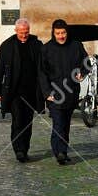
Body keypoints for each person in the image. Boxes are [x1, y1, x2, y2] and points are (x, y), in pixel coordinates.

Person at [0, 18, 42, 162]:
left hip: (31, 91)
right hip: (13, 91)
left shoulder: (36, 45)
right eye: (21, 33)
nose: (24, 36)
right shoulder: (7, 46)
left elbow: (43, 68)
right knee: (18, 120)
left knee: (28, 122)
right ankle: (19, 149)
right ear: (16, 31)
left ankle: (25, 149)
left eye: (26, 33)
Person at [38, 18, 85, 165]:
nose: (61, 36)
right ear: (53, 33)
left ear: (67, 32)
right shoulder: (46, 49)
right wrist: (47, 93)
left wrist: (82, 72)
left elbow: (87, 62)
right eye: (58, 33)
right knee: (58, 123)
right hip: (54, 94)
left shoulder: (76, 46)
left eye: (63, 32)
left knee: (66, 124)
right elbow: (41, 73)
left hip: (71, 92)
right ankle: (58, 152)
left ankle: (63, 151)